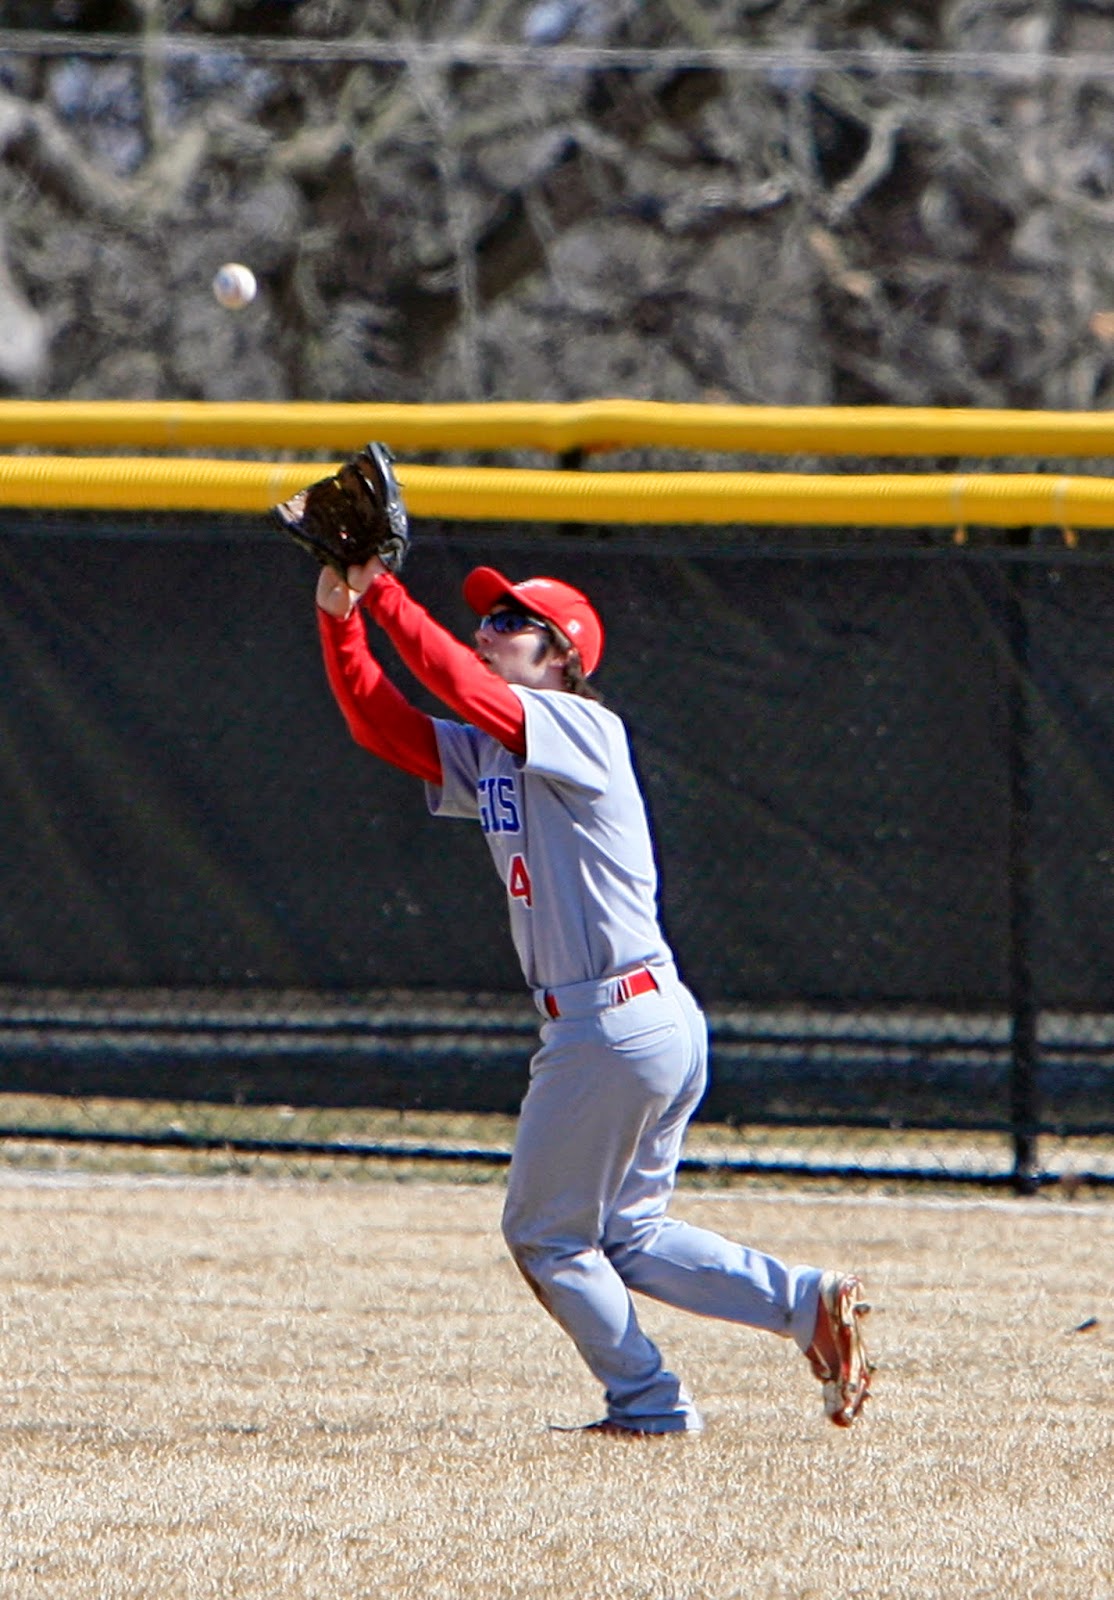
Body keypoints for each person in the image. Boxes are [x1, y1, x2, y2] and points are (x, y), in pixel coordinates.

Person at [313, 549, 873, 1437]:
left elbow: (461, 685)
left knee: (547, 1236)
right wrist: (340, 611)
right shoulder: (500, 749)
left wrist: (382, 588)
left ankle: (648, 1405)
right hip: (644, 1018)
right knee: (629, 1238)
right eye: (486, 620)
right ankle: (807, 1305)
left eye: (511, 623)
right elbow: (383, 725)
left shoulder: (580, 727)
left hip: (610, 1025)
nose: (487, 632)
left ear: (564, 656)